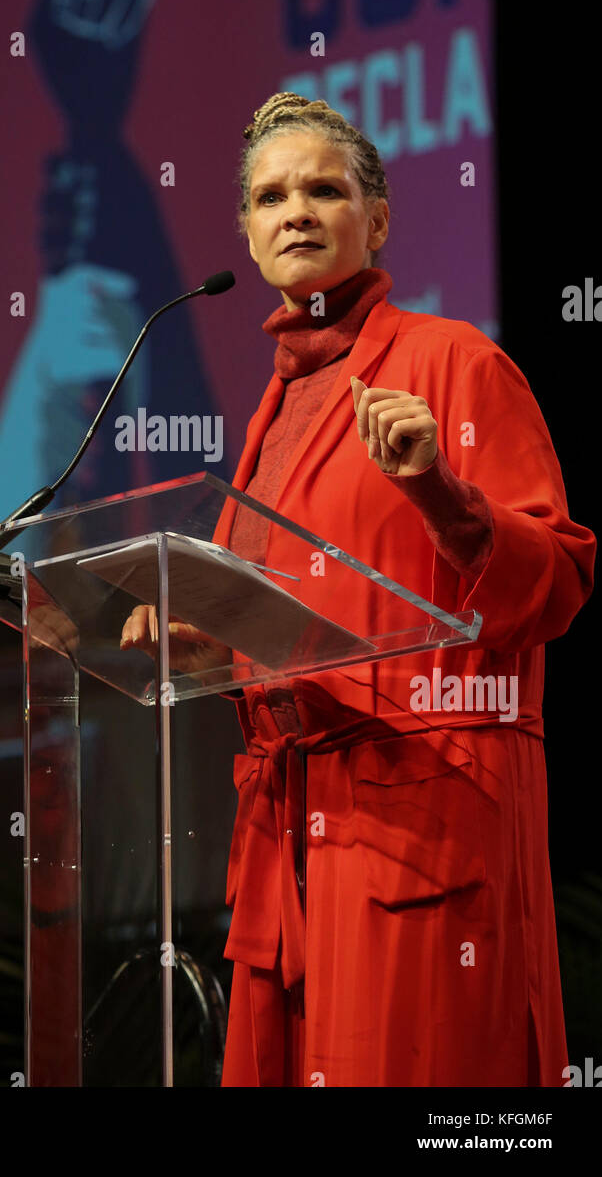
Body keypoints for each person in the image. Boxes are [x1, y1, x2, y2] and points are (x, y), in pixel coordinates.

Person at [120, 91, 596, 1087]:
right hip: (283, 850)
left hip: (424, 835)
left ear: (375, 220)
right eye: (270, 196)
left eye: (323, 189)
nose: (294, 210)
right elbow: (277, 636)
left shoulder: (451, 362)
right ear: (246, 235)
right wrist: (193, 642)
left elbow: (552, 584)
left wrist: (435, 487)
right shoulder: (268, 413)